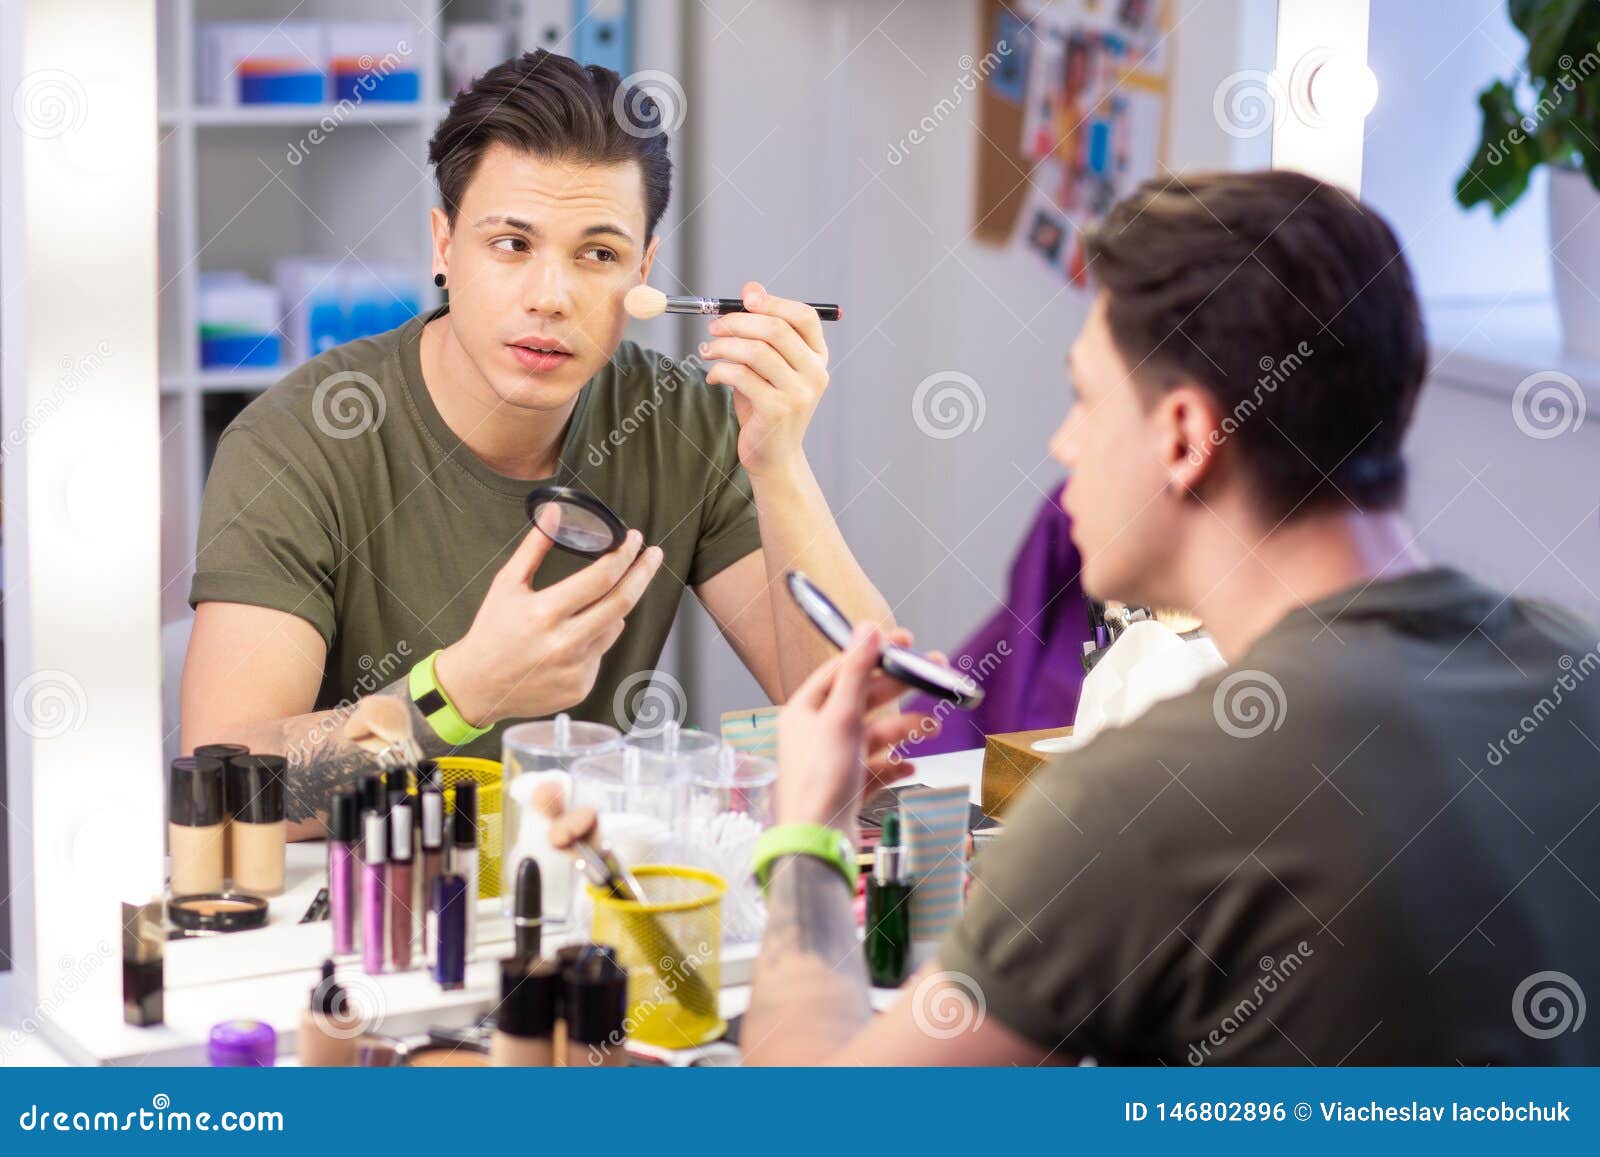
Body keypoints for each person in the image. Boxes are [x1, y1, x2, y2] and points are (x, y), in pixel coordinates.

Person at [743, 170, 1600, 1065]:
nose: (1062, 443)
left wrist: (807, 837)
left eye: (1083, 397)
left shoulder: (1154, 794)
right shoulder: (1575, 674)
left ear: (1185, 436)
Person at [180, 50, 892, 837]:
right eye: (512, 244)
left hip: (573, 895)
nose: (551, 298)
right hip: (363, 912)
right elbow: (231, 787)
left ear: (645, 271)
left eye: (598, 254)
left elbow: (864, 736)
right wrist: (458, 694)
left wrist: (780, 463)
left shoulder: (688, 419)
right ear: (443, 246)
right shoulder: (299, 441)